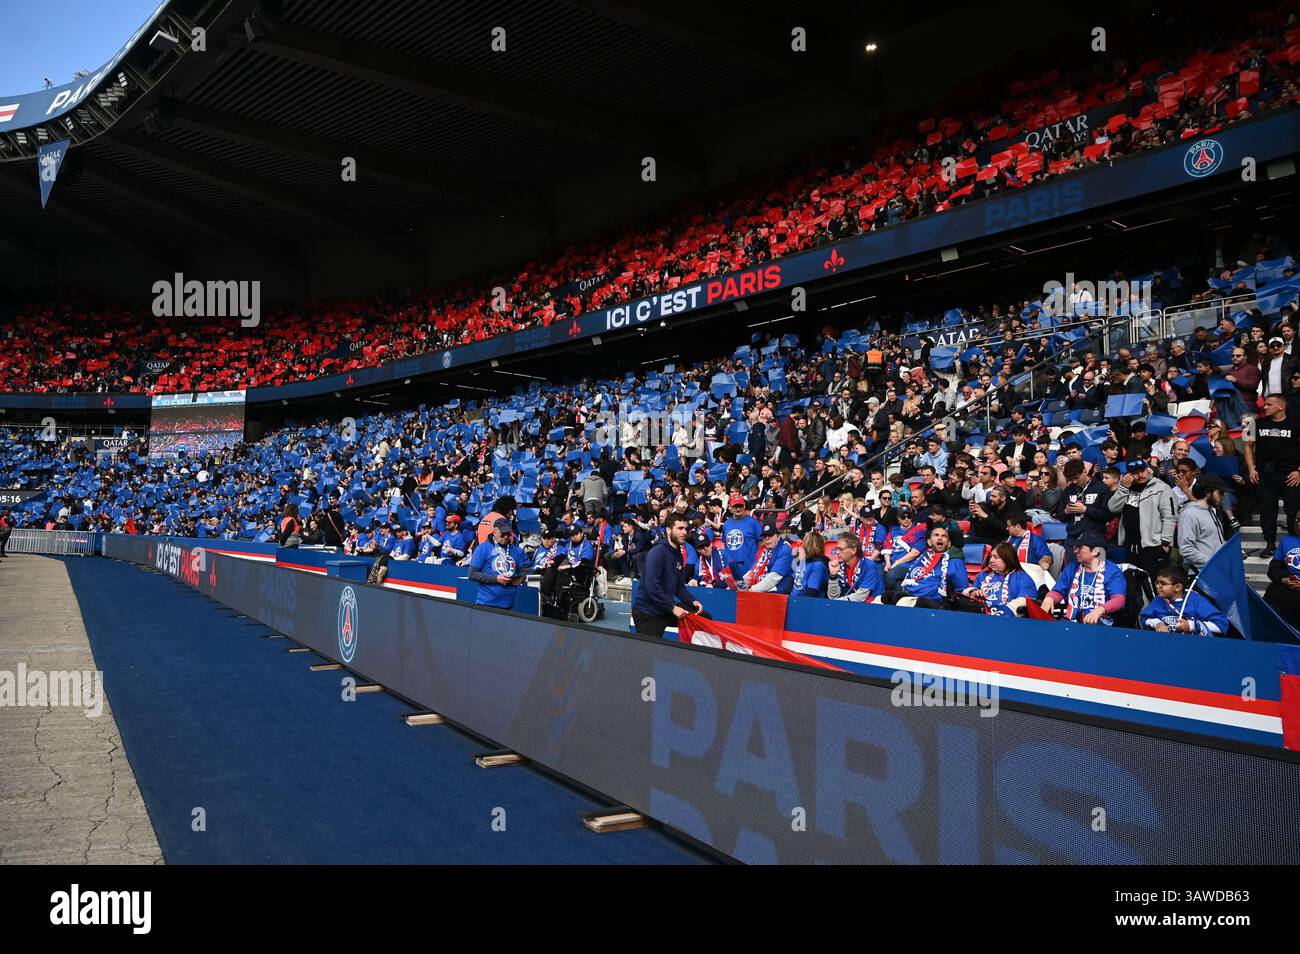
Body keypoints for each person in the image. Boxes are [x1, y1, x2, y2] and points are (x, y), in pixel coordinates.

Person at [1243, 393, 1300, 557]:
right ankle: (1270, 544)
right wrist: (1251, 469)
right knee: (1267, 511)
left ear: (1281, 406)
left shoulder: (1296, 423)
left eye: (1269, 404)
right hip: (1265, 475)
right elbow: (1247, 446)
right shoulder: (1255, 423)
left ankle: (1293, 543)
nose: (1264, 407)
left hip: (1290, 474)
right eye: (1265, 404)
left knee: (1292, 510)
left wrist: (1299, 471)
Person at [631, 514, 704, 639]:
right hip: (648, 612)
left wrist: (692, 600)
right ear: (669, 530)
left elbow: (679, 588)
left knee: (703, 618)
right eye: (680, 528)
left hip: (665, 608)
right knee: (648, 654)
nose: (684, 532)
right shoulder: (658, 552)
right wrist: (672, 608)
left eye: (686, 529)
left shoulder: (678, 555)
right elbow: (652, 587)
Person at [1106, 459, 1176, 578]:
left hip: (1153, 546)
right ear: (1129, 474)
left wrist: (1165, 543)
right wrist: (1123, 488)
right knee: (1135, 585)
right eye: (1135, 472)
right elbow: (1113, 508)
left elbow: (1170, 516)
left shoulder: (1162, 488)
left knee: (1155, 583)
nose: (1140, 475)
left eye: (1142, 471)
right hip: (1131, 546)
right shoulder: (1127, 488)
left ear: (1148, 469)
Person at [1041, 531, 1126, 625]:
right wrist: (1050, 598)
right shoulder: (1072, 567)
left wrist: (1099, 610)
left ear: (1096, 551)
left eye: (1080, 548)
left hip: (1101, 626)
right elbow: (1059, 591)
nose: (1075, 551)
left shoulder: (1112, 571)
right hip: (1070, 623)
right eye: (1075, 547)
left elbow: (1119, 599)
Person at [888, 526, 968, 608]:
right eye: (936, 535)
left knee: (904, 603)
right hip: (910, 595)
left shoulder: (954, 560)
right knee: (881, 599)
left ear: (949, 544)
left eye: (944, 536)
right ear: (929, 542)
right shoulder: (923, 557)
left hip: (933, 602)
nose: (940, 538)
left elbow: (962, 589)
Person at [1139, 565, 1230, 636]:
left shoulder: (1196, 600)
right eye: (1157, 583)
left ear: (1178, 587)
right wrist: (1157, 623)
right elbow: (1144, 618)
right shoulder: (1159, 599)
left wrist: (1191, 626)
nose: (1158, 586)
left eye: (1163, 583)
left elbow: (1221, 625)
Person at [467, 517, 530, 609]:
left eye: (508, 534)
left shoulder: (517, 550)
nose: (505, 537)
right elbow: (472, 574)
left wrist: (521, 578)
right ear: (494, 532)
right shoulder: (483, 548)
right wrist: (496, 579)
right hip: (486, 603)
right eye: (502, 534)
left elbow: (523, 569)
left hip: (508, 604)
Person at [966, 543, 1038, 618]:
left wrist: (1003, 611)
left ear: (1007, 559)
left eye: (996, 557)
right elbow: (969, 594)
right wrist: (973, 593)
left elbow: (1026, 601)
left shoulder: (1022, 577)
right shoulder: (983, 575)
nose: (991, 560)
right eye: (991, 557)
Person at [1177, 476, 1227, 574]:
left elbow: (1215, 542)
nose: (1223, 497)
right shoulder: (1189, 513)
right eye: (1220, 493)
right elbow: (1186, 549)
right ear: (1207, 492)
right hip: (1201, 574)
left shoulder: (1210, 511)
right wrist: (1211, 562)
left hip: (1215, 571)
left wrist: (1234, 553)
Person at [542, 524, 596, 606]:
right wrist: (551, 561)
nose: (574, 537)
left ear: (581, 533)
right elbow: (561, 556)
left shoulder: (587, 546)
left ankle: (558, 599)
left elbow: (584, 564)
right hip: (571, 569)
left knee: (562, 572)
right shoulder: (569, 544)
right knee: (551, 569)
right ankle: (546, 595)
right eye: (572, 535)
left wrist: (567, 566)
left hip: (583, 571)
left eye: (576, 534)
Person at [1264, 513, 1300, 629]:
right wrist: (1283, 579)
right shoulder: (1286, 541)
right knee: (1272, 594)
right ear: (1296, 524)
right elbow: (1274, 568)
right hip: (1289, 585)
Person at [827, 534, 884, 601]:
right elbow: (833, 597)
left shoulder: (869, 566)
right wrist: (833, 576)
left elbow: (860, 597)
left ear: (853, 550)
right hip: (848, 605)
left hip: (872, 606)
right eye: (836, 549)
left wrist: (837, 602)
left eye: (841, 549)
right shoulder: (840, 566)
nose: (837, 552)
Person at [740, 522, 794, 593]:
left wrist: (753, 590)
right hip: (760, 589)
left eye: (770, 535)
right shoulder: (763, 549)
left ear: (778, 536)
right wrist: (740, 585)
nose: (767, 538)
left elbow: (774, 577)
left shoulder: (785, 549)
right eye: (764, 536)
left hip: (778, 592)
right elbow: (752, 572)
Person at [720, 493, 762, 579]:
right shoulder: (726, 524)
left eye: (740, 506)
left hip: (749, 567)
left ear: (744, 506)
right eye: (735, 506)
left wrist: (756, 563)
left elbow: (762, 543)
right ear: (730, 507)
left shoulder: (753, 522)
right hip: (732, 567)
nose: (738, 509)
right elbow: (726, 545)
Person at [793, 531, 830, 597]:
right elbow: (791, 581)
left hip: (806, 603)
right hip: (793, 599)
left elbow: (811, 591)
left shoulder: (819, 565)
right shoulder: (801, 560)